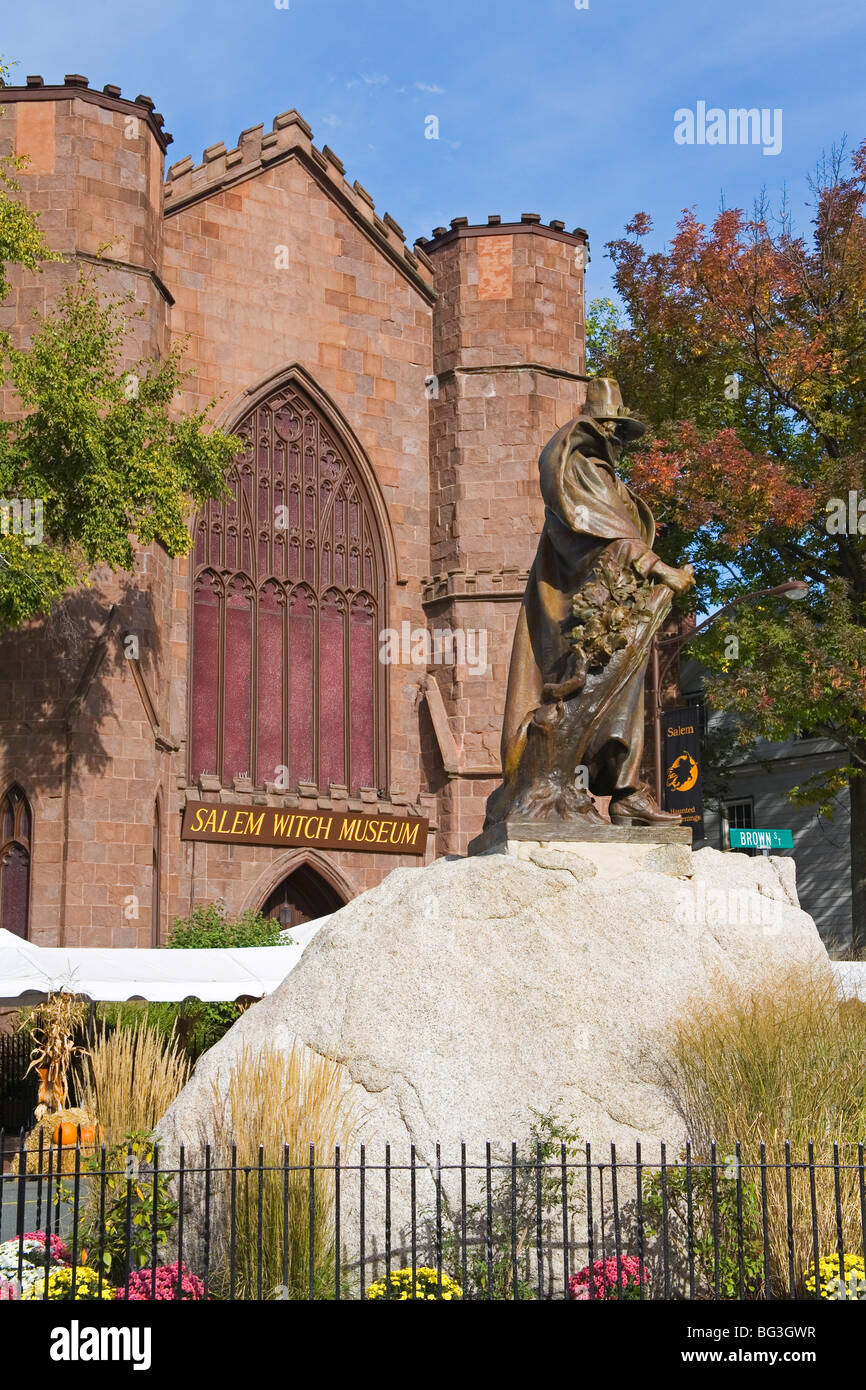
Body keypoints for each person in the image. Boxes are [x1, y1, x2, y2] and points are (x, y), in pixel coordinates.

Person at [489, 378, 694, 828]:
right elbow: (606, 531)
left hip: (618, 611)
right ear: (596, 427)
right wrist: (660, 569)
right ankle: (578, 789)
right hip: (585, 617)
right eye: (612, 428)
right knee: (586, 697)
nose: (618, 439)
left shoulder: (603, 474)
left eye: (621, 431)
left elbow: (619, 527)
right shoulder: (581, 469)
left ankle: (624, 792)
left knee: (625, 698)